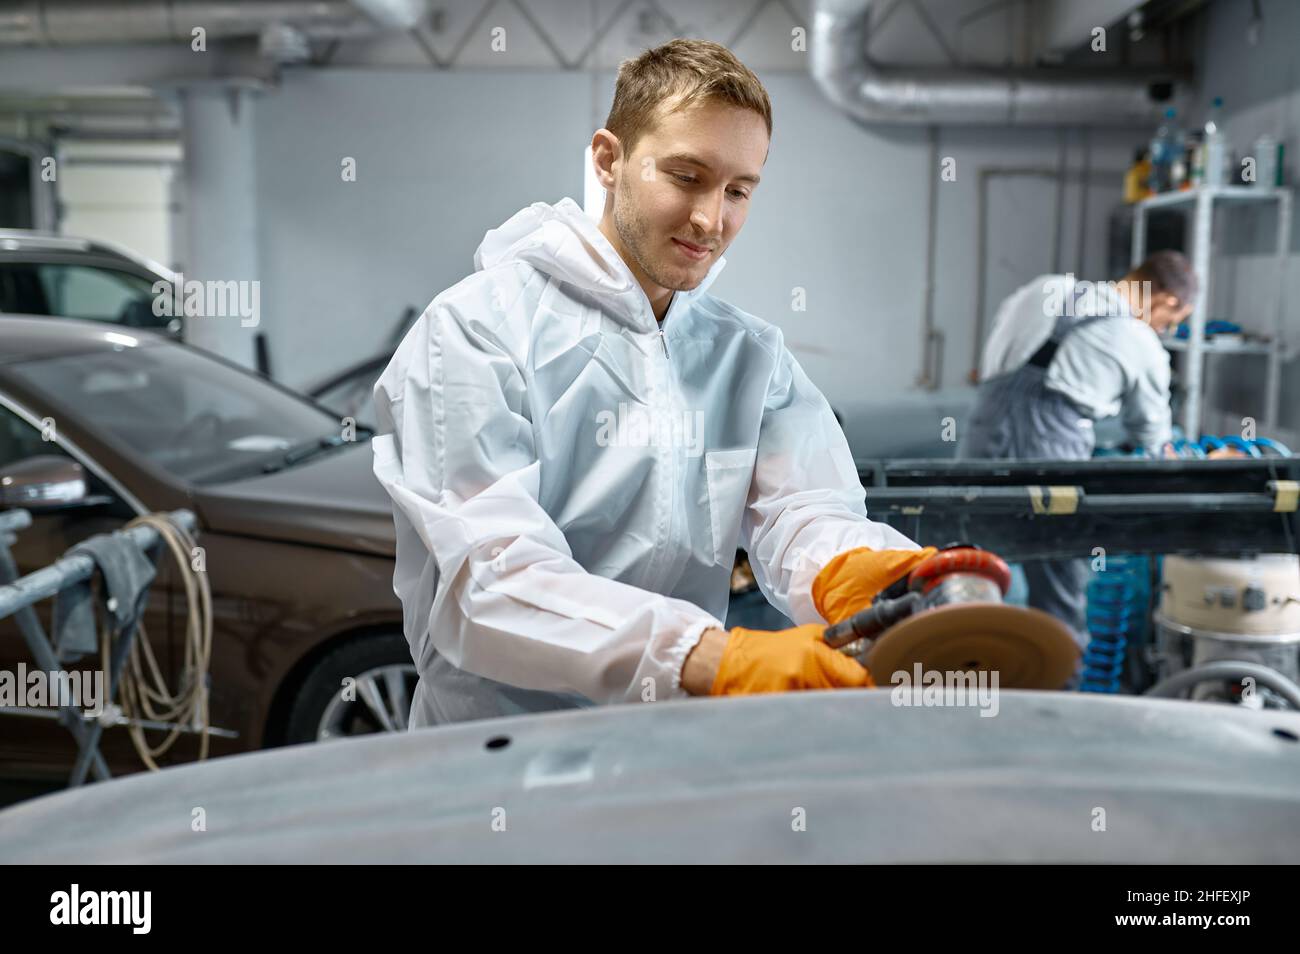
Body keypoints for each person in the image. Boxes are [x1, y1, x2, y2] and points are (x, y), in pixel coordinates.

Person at [371, 39, 933, 727]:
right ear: (608, 160)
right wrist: (706, 658)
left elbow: (802, 510)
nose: (710, 219)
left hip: (670, 738)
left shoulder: (746, 354)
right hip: (499, 751)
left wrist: (856, 569)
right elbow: (490, 579)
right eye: (687, 176)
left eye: (738, 190)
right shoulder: (475, 331)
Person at [959, 251, 1197, 646]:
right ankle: (1057, 692)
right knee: (1059, 572)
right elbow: (1154, 443)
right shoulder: (1140, 342)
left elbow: (995, 357)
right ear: (1167, 301)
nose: (1164, 329)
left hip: (982, 425)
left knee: (967, 553)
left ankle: (960, 660)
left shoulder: (1043, 288)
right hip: (1052, 445)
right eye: (1171, 322)